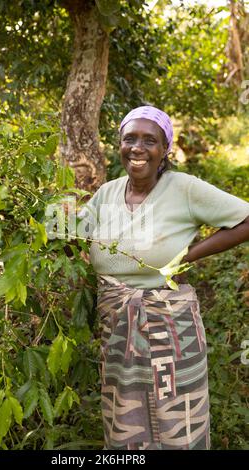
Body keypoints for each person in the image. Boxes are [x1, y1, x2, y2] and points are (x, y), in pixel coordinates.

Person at [77, 105, 249, 450]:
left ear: (164, 149)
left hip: (172, 330)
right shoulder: (106, 195)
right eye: (129, 139)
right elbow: (73, 239)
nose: (137, 148)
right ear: (119, 145)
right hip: (118, 334)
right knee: (126, 423)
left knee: (177, 424)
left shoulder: (183, 189)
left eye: (149, 140)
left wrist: (188, 255)